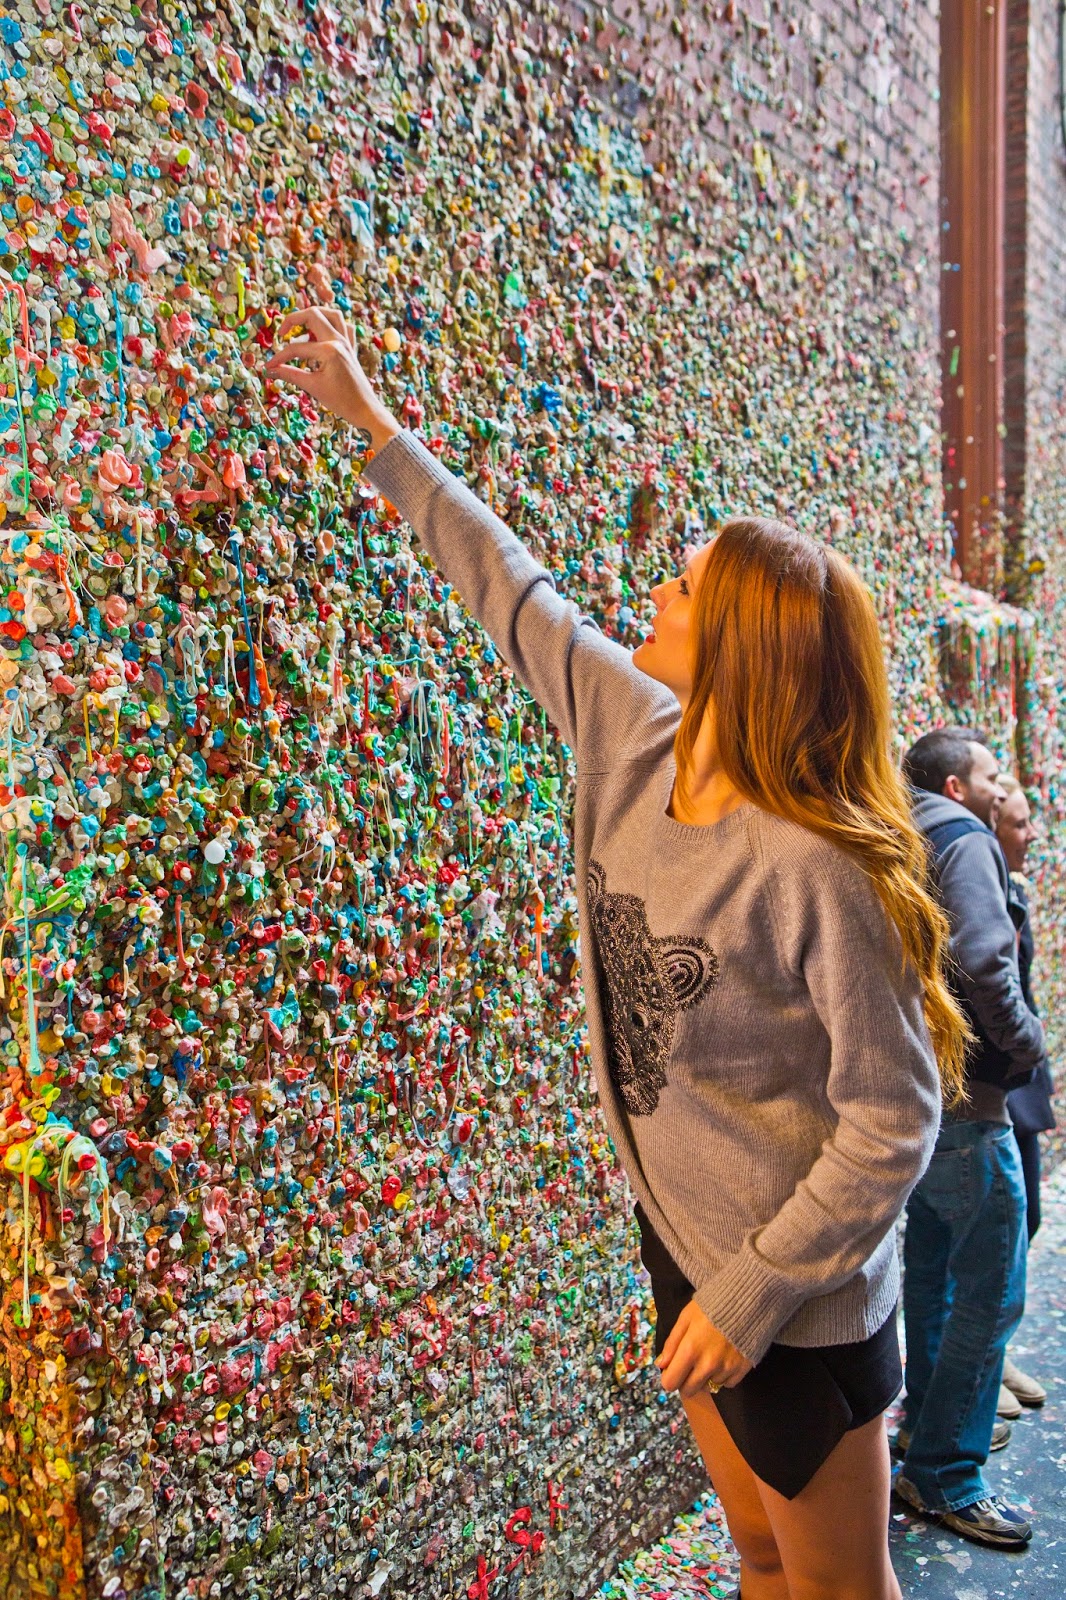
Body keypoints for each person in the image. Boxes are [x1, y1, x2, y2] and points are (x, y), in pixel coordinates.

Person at [265, 306, 968, 1600]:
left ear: (738, 653)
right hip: (683, 1244)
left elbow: (893, 1115)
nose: (653, 589)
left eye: (684, 587)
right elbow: (506, 582)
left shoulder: (811, 865)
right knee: (756, 1553)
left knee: (837, 1588)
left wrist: (751, 1294)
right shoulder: (629, 729)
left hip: (797, 1307)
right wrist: (369, 429)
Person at [897, 728, 1048, 1550]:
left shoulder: (904, 831)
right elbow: (987, 960)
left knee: (932, 1274)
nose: (1004, 786)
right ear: (958, 786)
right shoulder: (963, 840)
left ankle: (927, 1427)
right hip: (969, 1100)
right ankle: (946, 1473)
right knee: (991, 1287)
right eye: (993, 773)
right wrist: (1026, 1046)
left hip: (921, 1099)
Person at [995, 775, 1054, 1413]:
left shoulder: (1010, 886)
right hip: (993, 1086)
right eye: (1019, 824)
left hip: (1020, 1086)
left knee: (1024, 1218)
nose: (1030, 834)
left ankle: (994, 1355)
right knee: (990, 1236)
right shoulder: (972, 879)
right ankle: (979, 1374)